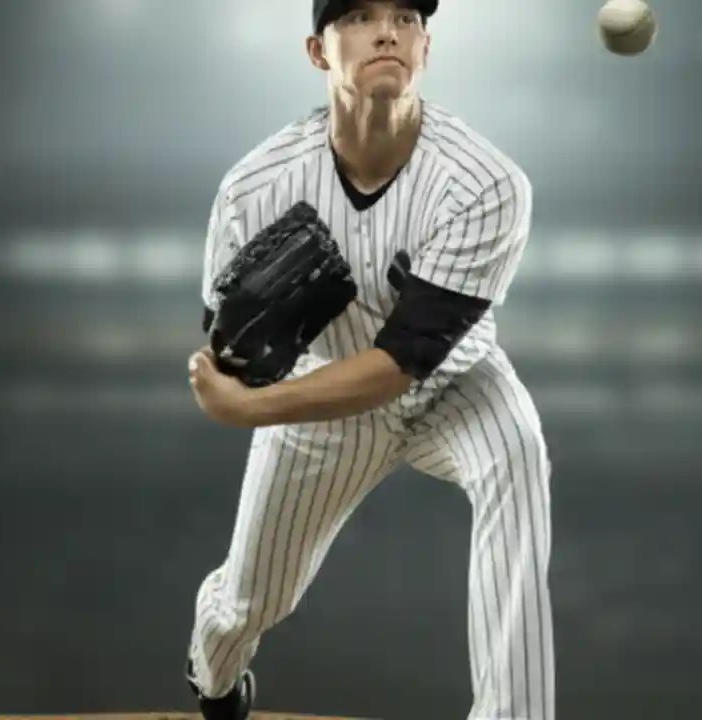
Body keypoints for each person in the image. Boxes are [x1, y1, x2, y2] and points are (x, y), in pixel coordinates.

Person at [184, 1, 554, 718]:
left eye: (406, 15)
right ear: (318, 52)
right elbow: (227, 342)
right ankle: (215, 673)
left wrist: (252, 408)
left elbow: (405, 358)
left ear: (425, 46)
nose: (387, 30)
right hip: (320, 401)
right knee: (247, 605)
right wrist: (234, 368)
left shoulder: (486, 183)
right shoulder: (253, 189)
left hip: (455, 386)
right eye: (357, 14)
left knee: (517, 450)